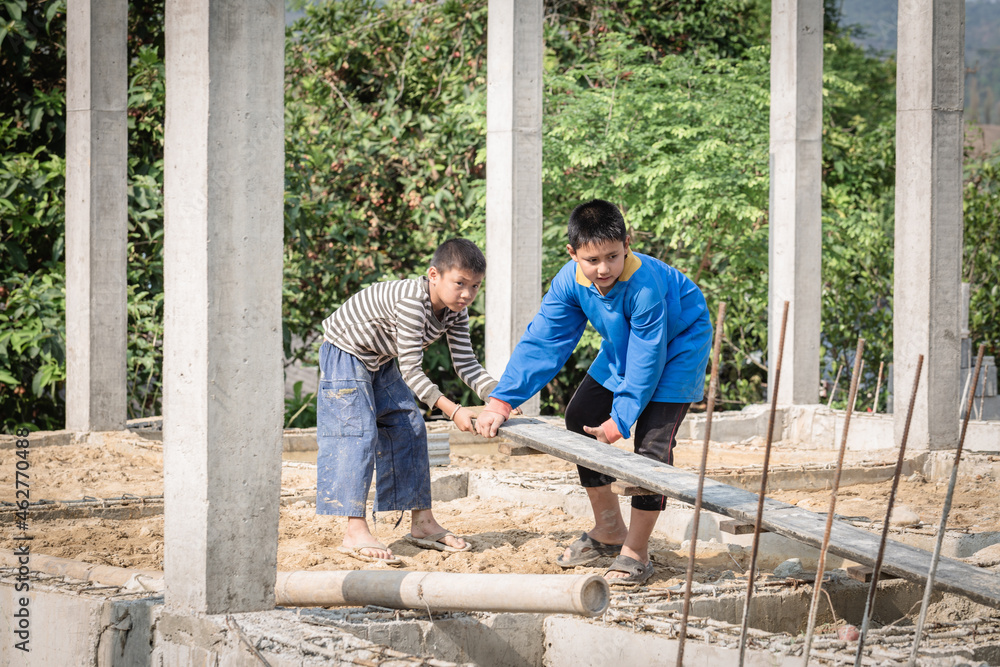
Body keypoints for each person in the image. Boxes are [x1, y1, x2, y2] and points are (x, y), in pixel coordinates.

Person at [475, 199, 712, 585]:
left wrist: (620, 420)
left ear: (627, 245)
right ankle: (609, 529)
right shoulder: (569, 281)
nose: (604, 269)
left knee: (652, 447)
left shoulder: (645, 286)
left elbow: (648, 358)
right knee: (581, 416)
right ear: (573, 254)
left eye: (613, 257)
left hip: (679, 344)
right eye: (592, 260)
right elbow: (545, 340)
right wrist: (502, 400)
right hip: (626, 343)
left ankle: (636, 552)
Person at [317, 238, 496, 565]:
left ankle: (423, 523)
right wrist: (454, 410)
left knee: (410, 427)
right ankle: (354, 530)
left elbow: (466, 364)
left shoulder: (456, 311)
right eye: (459, 283)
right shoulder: (413, 303)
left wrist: (499, 399)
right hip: (345, 352)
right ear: (434, 275)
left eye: (475, 286)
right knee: (357, 436)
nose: (467, 294)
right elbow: (412, 371)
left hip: (379, 358)